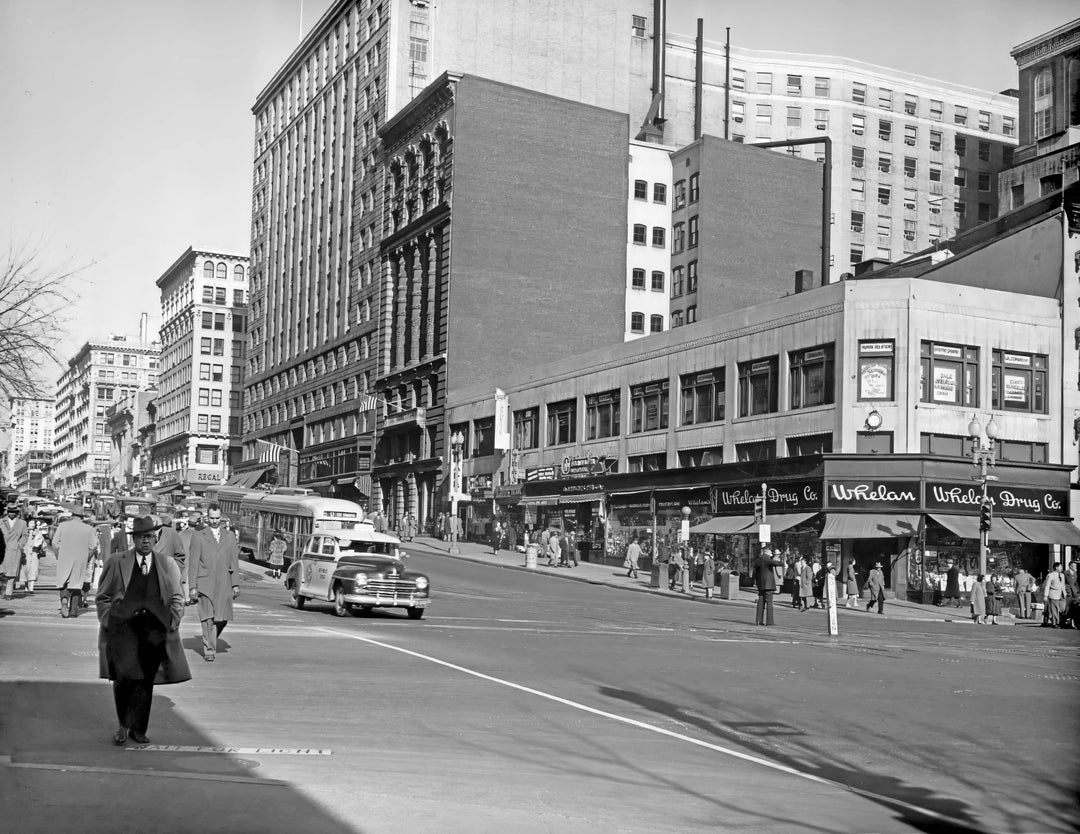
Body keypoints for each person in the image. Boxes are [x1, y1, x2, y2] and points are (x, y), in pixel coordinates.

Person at [96, 515, 190, 745]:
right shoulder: (117, 561)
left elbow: (177, 597)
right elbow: (103, 596)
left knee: (145, 681)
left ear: (155, 537)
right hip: (123, 630)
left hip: (153, 632)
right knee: (123, 679)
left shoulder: (166, 564)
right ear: (134, 539)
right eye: (140, 537)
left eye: (149, 537)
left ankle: (138, 728)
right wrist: (109, 620)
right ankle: (122, 725)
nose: (145, 541)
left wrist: (172, 620)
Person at [187, 504, 240, 662]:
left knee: (221, 618)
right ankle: (209, 650)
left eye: (217, 518)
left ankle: (212, 637)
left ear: (221, 517)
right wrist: (192, 587)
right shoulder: (199, 535)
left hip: (224, 582)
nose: (215, 521)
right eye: (212, 518)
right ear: (206, 517)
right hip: (205, 583)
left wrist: (235, 584)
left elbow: (234, 561)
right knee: (207, 617)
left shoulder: (229, 536)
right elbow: (193, 562)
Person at [53, 506, 100, 618]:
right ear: (82, 517)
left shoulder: (62, 526)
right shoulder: (89, 529)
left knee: (64, 582)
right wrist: (88, 557)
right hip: (80, 559)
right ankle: (73, 611)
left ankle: (64, 601)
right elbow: (93, 545)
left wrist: (59, 554)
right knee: (76, 584)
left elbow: (54, 543)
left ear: (71, 515)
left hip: (65, 557)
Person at [1, 504, 29, 600]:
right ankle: (2, 590)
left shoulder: (22, 523)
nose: (12, 513)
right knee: (2, 572)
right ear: (7, 512)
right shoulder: (1, 522)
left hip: (14, 550)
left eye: (13, 512)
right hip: (2, 549)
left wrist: (19, 545)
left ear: (16, 513)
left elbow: (25, 536)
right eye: (10, 511)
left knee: (11, 574)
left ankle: (8, 593)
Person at [752, 547, 784, 626]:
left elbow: (755, 573)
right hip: (769, 585)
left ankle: (759, 621)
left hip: (761, 585)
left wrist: (756, 583)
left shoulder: (758, 561)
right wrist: (783, 563)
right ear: (767, 552)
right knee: (769, 603)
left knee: (761, 602)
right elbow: (776, 563)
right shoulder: (767, 559)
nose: (771, 554)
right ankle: (769, 622)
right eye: (770, 552)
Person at [1042, 562, 1067, 628]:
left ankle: (1056, 620)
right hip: (1053, 594)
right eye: (1060, 566)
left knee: (1062, 608)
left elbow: (1063, 585)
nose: (1061, 568)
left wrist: (1064, 593)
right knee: (1055, 609)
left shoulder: (1062, 575)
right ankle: (1055, 623)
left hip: (1061, 594)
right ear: (1056, 567)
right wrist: (1045, 595)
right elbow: (1047, 586)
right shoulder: (1050, 575)